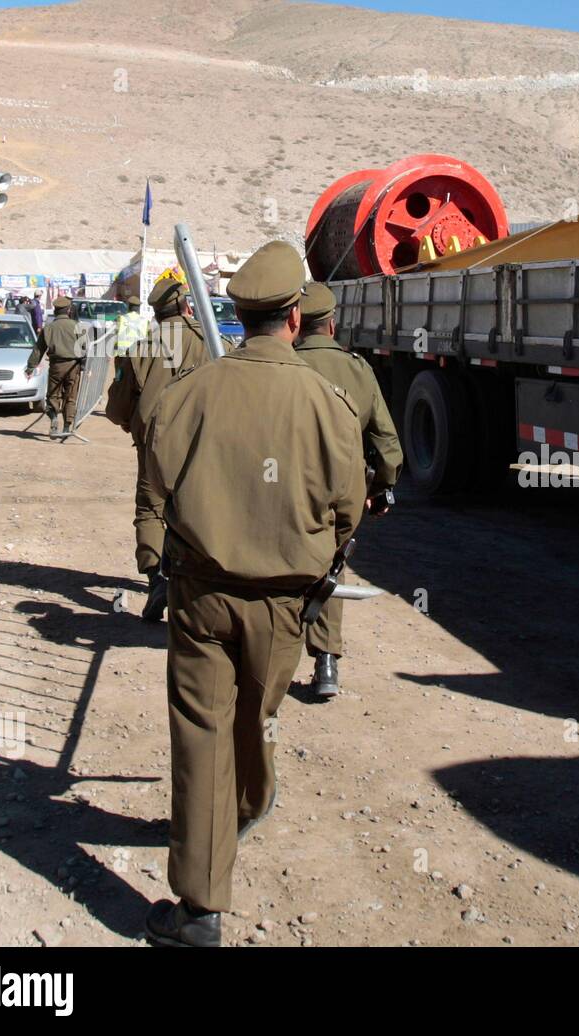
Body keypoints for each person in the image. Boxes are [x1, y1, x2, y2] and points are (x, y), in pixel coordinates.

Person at [142, 241, 365, 947]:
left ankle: (201, 908)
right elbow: (349, 510)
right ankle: (238, 816)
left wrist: (154, 560)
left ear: (238, 316)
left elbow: (154, 487)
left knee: (206, 733)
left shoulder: (188, 396)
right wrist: (319, 563)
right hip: (285, 606)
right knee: (251, 720)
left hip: (201, 596)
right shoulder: (330, 406)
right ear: (294, 319)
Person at [294, 281, 402, 697]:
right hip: (344, 489)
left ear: (296, 322)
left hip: (286, 483)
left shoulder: (284, 363)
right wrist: (384, 487)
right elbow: (386, 440)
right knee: (331, 565)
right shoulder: (358, 369)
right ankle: (325, 664)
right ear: (333, 324)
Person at [112, 279, 208, 621]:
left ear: (155, 312)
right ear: (186, 306)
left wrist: (131, 422)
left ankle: (156, 578)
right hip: (203, 446)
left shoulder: (142, 347)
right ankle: (196, 589)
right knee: (199, 512)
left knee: (152, 511)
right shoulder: (211, 341)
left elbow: (119, 405)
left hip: (154, 446)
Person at [24, 296, 81, 437]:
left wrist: (30, 367)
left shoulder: (48, 328)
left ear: (55, 310)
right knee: (70, 397)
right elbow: (85, 349)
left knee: (53, 395)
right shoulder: (77, 326)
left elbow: (39, 350)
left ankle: (54, 419)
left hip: (56, 366)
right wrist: (86, 366)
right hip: (74, 366)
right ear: (68, 310)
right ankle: (67, 426)